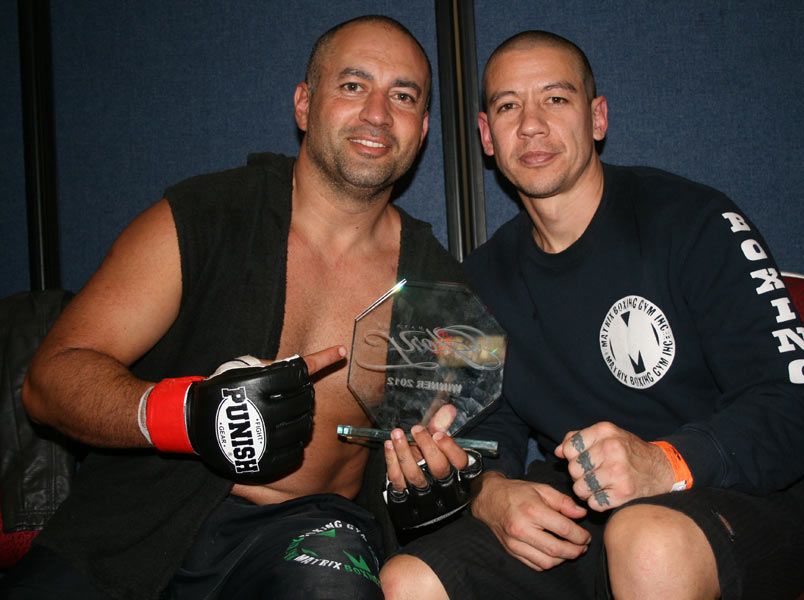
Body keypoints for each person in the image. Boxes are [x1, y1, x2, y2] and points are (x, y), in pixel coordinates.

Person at [5, 15, 465, 600]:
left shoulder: (436, 284)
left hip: (311, 535)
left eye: (403, 95)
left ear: (422, 129)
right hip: (135, 521)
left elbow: (446, 450)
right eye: (353, 85)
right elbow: (48, 383)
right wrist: (189, 414)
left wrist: (434, 481)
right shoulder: (204, 217)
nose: (377, 113)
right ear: (304, 104)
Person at [379, 30, 804, 600]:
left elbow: (796, 400)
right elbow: (488, 427)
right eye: (508, 105)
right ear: (486, 136)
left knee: (643, 538)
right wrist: (492, 491)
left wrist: (665, 462)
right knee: (408, 581)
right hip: (586, 511)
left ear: (597, 118)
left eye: (556, 98)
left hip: (749, 496)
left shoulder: (693, 221)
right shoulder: (481, 278)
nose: (531, 124)